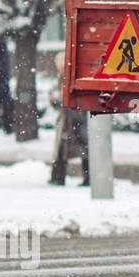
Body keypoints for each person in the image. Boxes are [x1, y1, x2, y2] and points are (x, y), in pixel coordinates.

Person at [50, 52, 89, 185]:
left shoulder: (72, 77)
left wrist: (60, 99)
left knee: (83, 148)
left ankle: (87, 177)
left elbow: (73, 97)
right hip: (67, 119)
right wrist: (56, 99)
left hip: (76, 118)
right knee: (63, 148)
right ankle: (57, 177)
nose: (60, 70)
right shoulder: (61, 78)